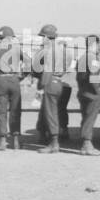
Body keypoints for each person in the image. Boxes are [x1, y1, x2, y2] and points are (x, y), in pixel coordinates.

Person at [0, 25, 24, 151]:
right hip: (14, 81)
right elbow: (30, 63)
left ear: (0, 37)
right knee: (15, 111)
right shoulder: (17, 49)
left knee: (1, 112)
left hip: (1, 81)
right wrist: (21, 76)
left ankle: (2, 142)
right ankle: (16, 141)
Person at [33, 24, 71, 154]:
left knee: (50, 113)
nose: (41, 39)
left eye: (42, 37)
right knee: (54, 111)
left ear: (46, 37)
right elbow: (67, 66)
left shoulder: (48, 50)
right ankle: (53, 139)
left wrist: (41, 88)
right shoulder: (64, 50)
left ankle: (54, 143)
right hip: (59, 81)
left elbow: (47, 70)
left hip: (50, 82)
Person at [74, 35, 100, 156]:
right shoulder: (92, 57)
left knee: (85, 117)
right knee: (90, 119)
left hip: (82, 90)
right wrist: (96, 92)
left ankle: (86, 143)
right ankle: (87, 144)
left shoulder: (82, 57)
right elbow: (93, 75)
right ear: (95, 44)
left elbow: (79, 76)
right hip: (91, 92)